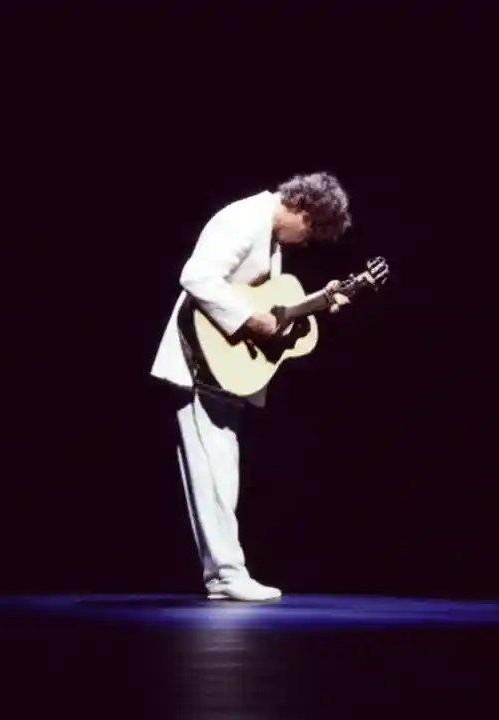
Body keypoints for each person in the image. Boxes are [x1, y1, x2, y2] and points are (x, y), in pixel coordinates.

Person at [149, 172, 354, 601]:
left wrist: (316, 303)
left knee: (220, 467)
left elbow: (268, 307)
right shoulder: (244, 218)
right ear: (303, 212)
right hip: (201, 358)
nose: (305, 243)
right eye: (312, 232)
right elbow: (198, 277)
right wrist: (248, 321)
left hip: (223, 368)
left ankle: (224, 573)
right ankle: (226, 574)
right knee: (214, 468)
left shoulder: (268, 235)